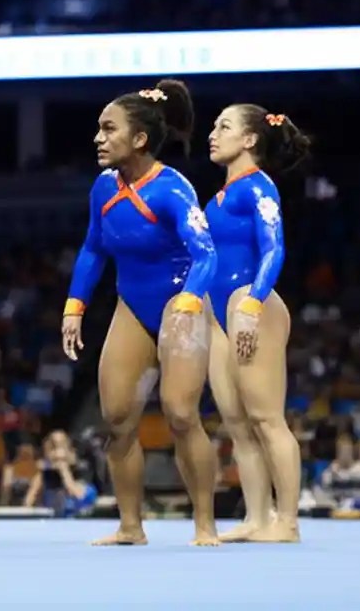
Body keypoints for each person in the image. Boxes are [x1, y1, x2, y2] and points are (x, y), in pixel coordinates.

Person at [60, 79, 221, 546]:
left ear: (140, 140)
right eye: (98, 129)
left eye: (109, 130)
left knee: (180, 413)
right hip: (132, 305)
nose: (98, 138)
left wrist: (189, 304)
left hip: (179, 301)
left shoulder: (173, 190)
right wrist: (75, 306)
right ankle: (131, 526)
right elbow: (93, 249)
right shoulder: (103, 189)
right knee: (116, 418)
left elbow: (205, 254)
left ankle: (205, 524)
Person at [205, 104, 310, 543]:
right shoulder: (217, 198)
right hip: (218, 313)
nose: (213, 133)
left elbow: (274, 248)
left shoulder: (258, 187)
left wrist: (252, 305)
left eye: (223, 126)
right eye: (213, 126)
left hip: (252, 305)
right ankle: (256, 517)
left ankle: (286, 522)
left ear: (249, 140)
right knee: (237, 423)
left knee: (267, 419)